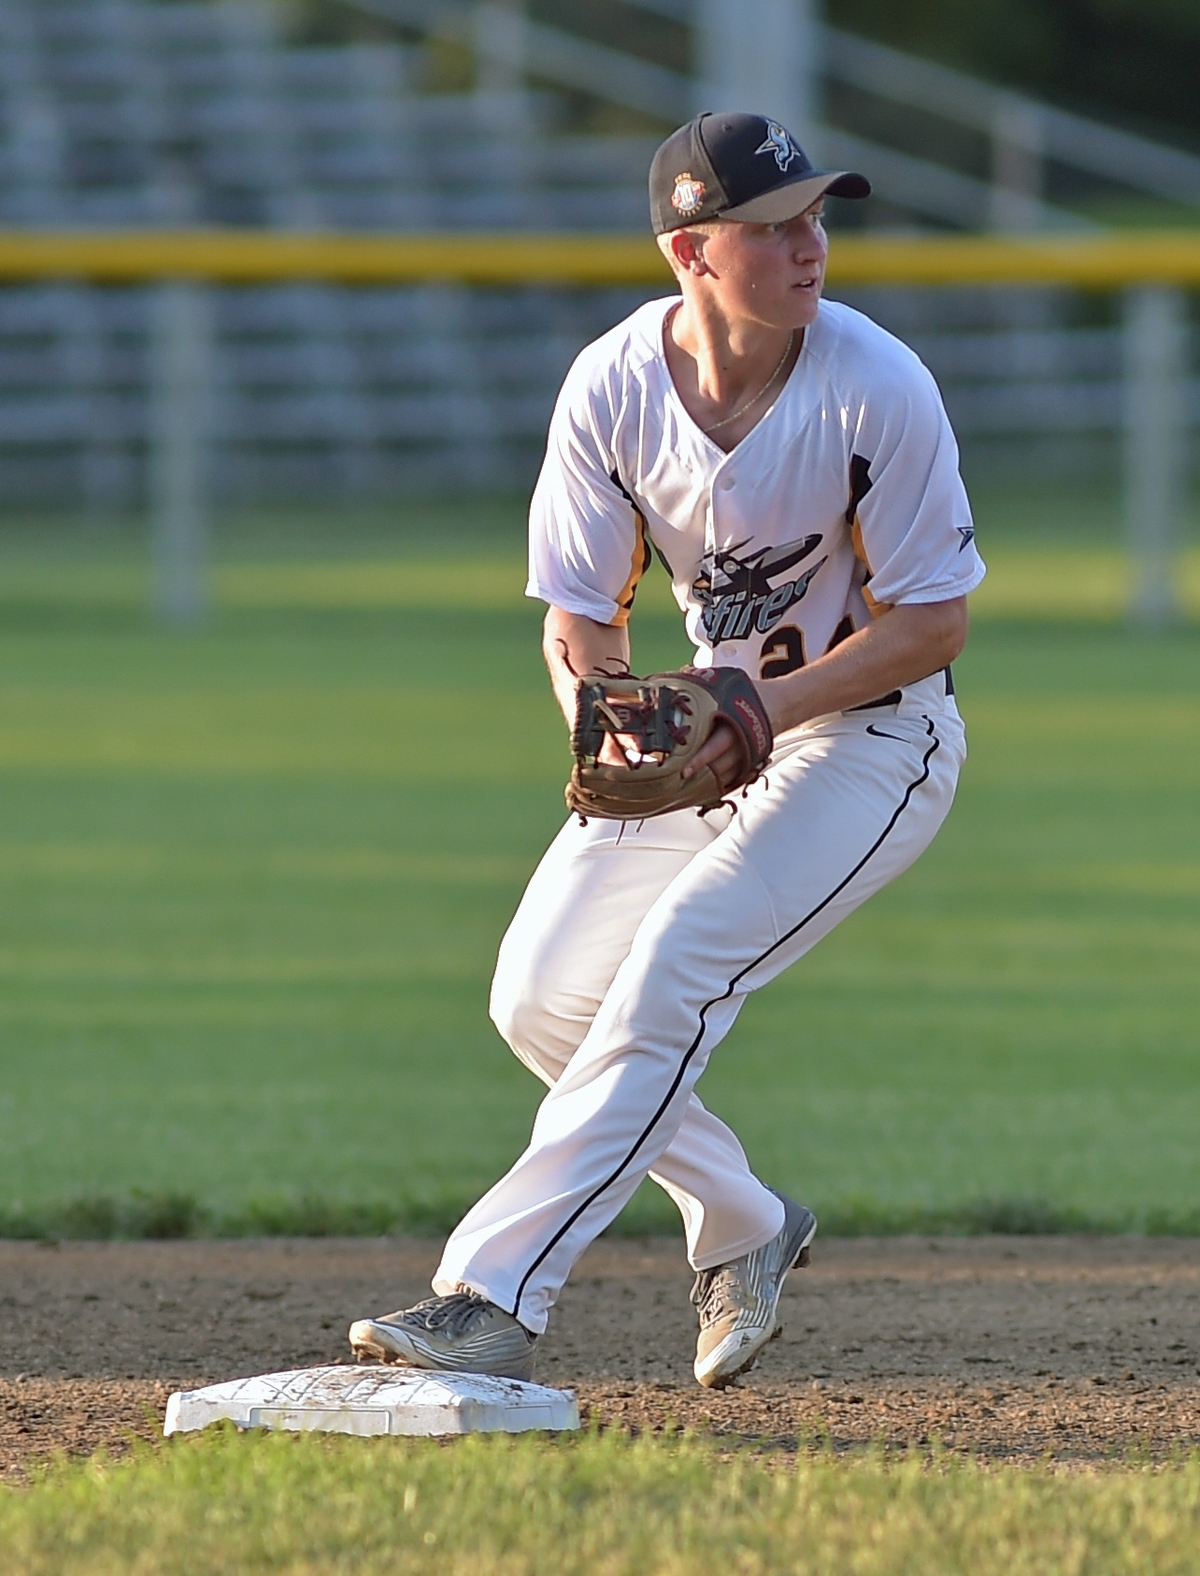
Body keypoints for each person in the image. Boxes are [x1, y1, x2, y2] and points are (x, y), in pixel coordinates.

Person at [350, 112, 986, 1390]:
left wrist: (762, 711)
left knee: (678, 961)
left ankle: (491, 1293)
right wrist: (603, 718)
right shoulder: (613, 385)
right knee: (540, 995)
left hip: (873, 737)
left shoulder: (878, 384)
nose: (811, 244)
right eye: (775, 225)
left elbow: (933, 622)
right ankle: (745, 1218)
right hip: (703, 731)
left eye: (817, 216)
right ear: (692, 252)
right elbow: (579, 613)